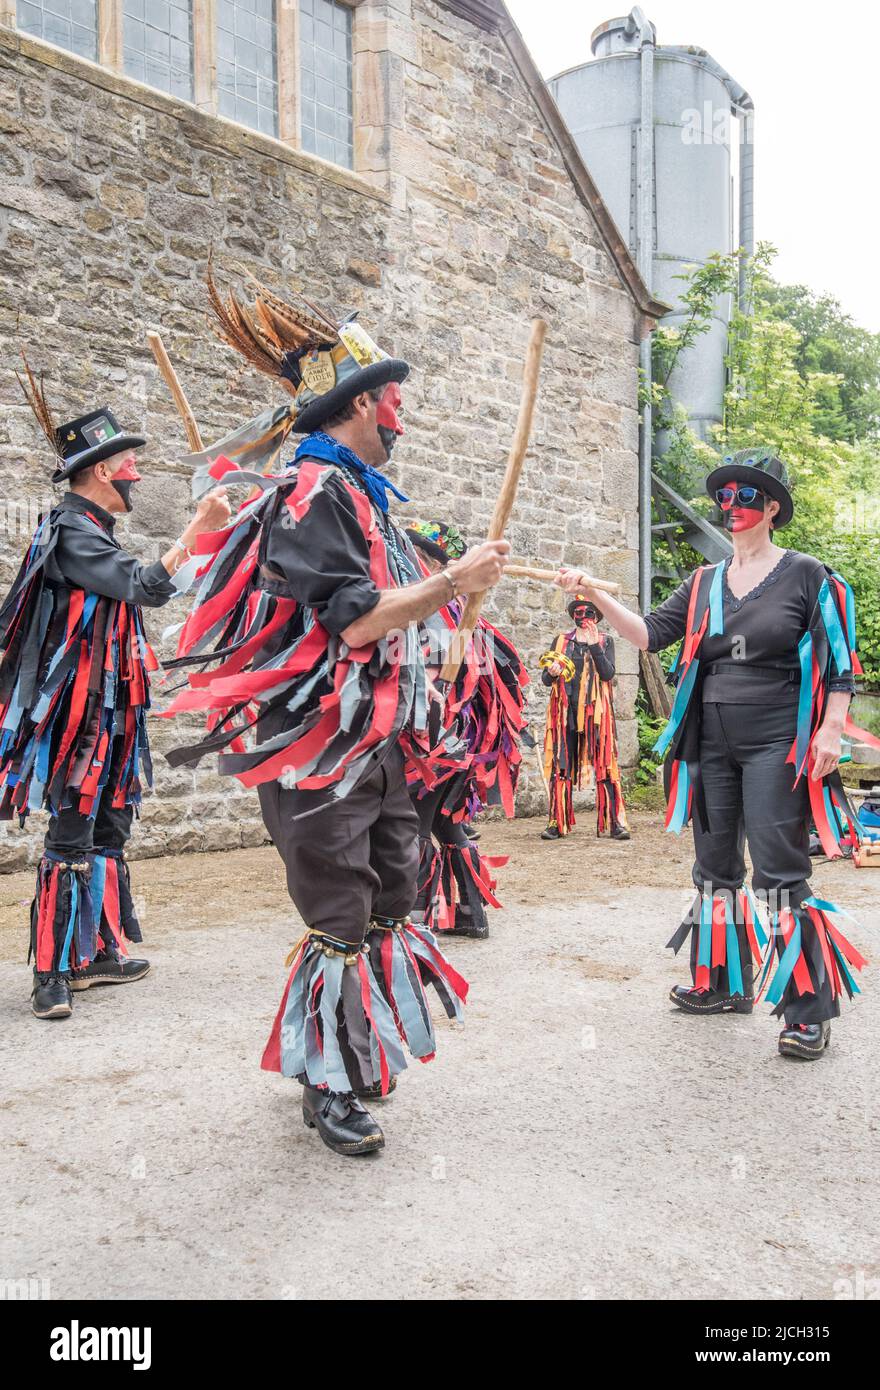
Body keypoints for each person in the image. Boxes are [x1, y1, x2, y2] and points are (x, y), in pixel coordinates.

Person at [162, 272, 509, 1154]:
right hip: (318, 749)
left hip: (378, 741)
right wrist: (448, 585)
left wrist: (451, 600)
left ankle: (359, 1048)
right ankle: (328, 1082)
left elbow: (395, 618)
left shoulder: (364, 497)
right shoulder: (311, 494)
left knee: (397, 892)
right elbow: (355, 619)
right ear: (358, 406)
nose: (404, 418)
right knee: (340, 913)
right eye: (395, 402)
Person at [556, 447, 876, 1060]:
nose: (731, 506)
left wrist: (831, 730)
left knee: (781, 872)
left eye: (745, 496)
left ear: (772, 507)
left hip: (778, 742)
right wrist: (596, 598)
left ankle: (808, 1010)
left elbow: (840, 664)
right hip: (710, 741)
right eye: (723, 497)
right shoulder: (704, 583)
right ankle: (725, 984)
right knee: (715, 869)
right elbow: (650, 634)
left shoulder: (808, 575)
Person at [0, 365, 229, 1020]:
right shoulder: (72, 531)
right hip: (79, 712)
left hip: (110, 707)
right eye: (129, 462)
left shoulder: (94, 535)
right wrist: (195, 527)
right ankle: (51, 970)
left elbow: (156, 588)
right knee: (72, 828)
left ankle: (94, 951)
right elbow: (148, 585)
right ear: (102, 471)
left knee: (108, 825)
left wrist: (214, 541)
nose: (135, 471)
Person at [404, 519, 530, 939]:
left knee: (417, 825)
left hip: (438, 744)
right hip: (460, 742)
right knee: (446, 825)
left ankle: (415, 917)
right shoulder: (459, 612)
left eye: (413, 551)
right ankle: (470, 913)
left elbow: (445, 677)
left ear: (428, 559)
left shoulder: (441, 613)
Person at [539, 594, 630, 842]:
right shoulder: (560, 641)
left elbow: (607, 674)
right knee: (562, 765)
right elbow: (546, 680)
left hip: (596, 715)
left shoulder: (605, 641)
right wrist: (552, 673)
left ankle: (616, 823)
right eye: (578, 612)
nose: (583, 617)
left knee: (605, 765)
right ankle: (557, 821)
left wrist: (594, 646)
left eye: (589, 612)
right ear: (573, 615)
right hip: (565, 713)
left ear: (597, 616)